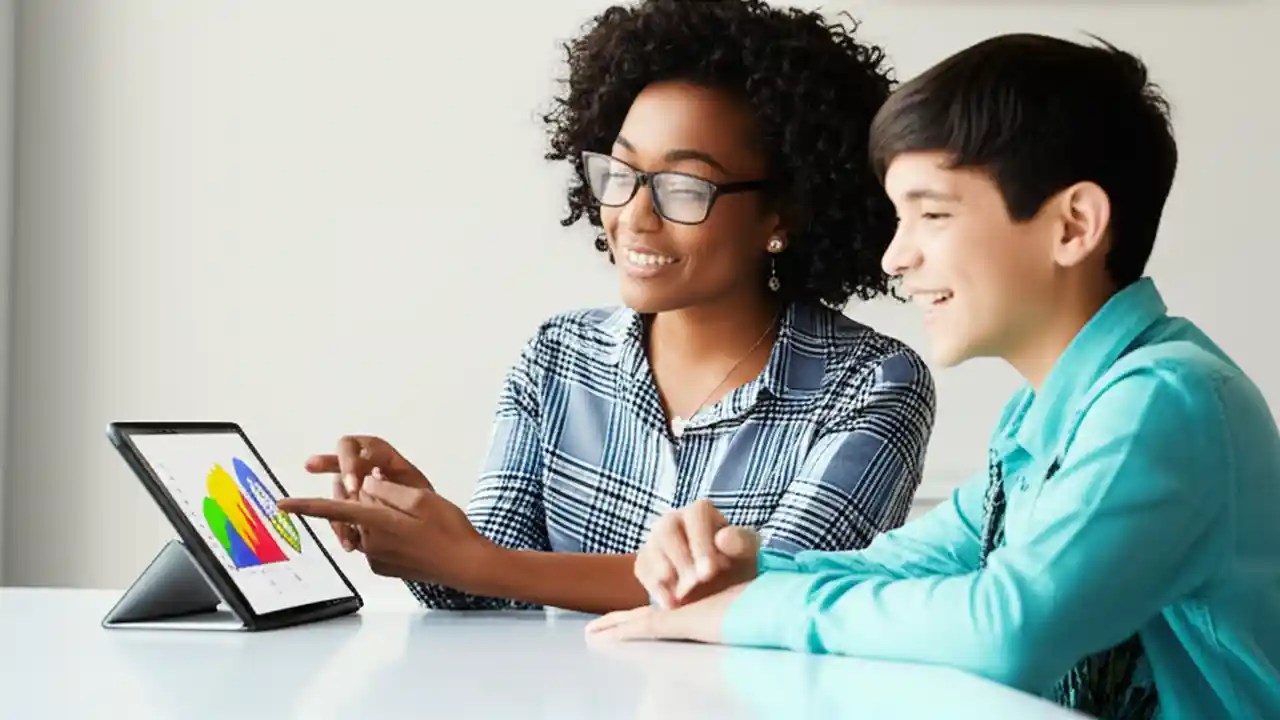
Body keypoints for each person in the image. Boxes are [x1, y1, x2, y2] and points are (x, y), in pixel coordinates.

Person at [586, 32, 1280, 718]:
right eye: (898, 217)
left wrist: (747, 611)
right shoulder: (1044, 418)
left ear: (1073, 227)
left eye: (932, 214)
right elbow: (911, 564)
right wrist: (744, 572)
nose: (895, 257)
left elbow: (1006, 628)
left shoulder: (1163, 400)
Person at [278, 0, 934, 614]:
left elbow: (771, 594)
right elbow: (488, 585)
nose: (634, 216)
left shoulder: (873, 384)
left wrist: (473, 560)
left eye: (684, 186)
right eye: (620, 174)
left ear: (784, 211)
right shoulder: (558, 358)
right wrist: (421, 526)